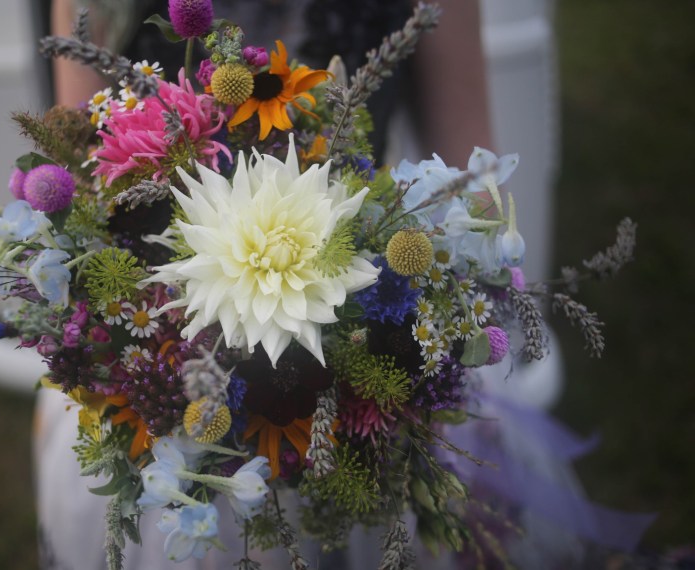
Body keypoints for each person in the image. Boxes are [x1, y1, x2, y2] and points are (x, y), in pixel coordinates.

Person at [34, 2, 536, 569]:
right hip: (157, 345)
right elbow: (80, 180)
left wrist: (426, 294)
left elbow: (477, 179)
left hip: (369, 296)